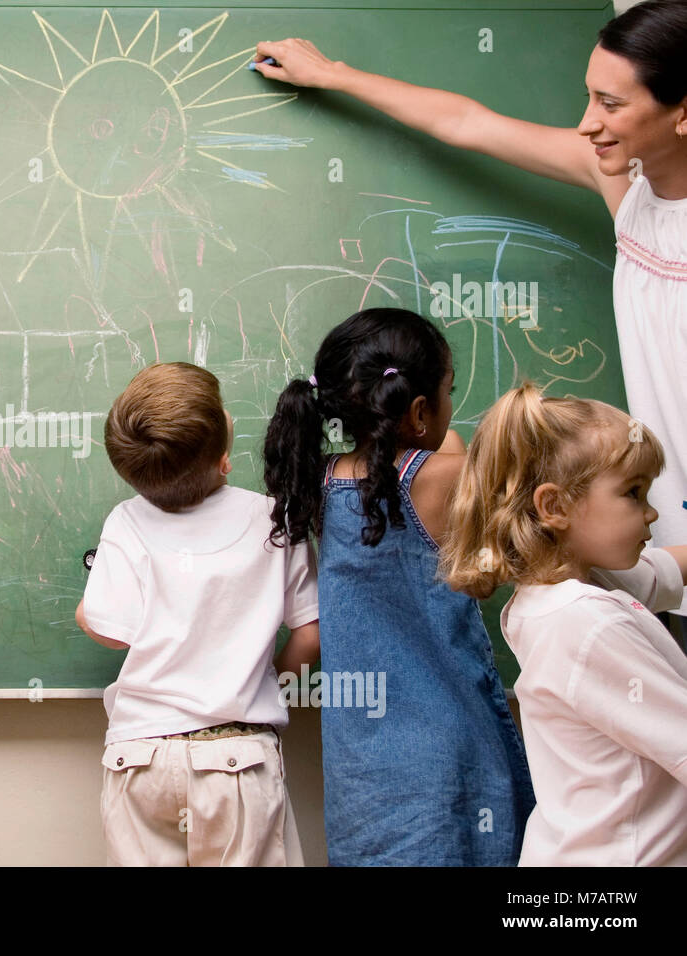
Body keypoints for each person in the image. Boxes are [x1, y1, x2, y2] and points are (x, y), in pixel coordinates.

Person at [253, 1, 687, 617]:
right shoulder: (627, 187)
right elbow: (467, 122)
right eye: (590, 97)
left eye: (611, 105)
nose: (588, 123)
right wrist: (335, 75)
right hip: (652, 533)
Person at [263, 308, 534, 865]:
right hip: (448, 749)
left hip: (361, 770)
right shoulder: (440, 478)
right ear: (416, 411)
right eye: (447, 392)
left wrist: (424, 432)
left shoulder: (317, 480)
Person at [76, 362, 320, 866]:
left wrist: (86, 609)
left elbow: (107, 628)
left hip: (140, 755)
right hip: (237, 756)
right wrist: (268, 679)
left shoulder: (127, 521)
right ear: (222, 457)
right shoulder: (274, 517)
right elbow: (310, 632)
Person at [441, 384, 687, 865]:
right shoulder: (587, 622)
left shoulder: (559, 592)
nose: (652, 512)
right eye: (633, 493)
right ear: (554, 507)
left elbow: (661, 572)